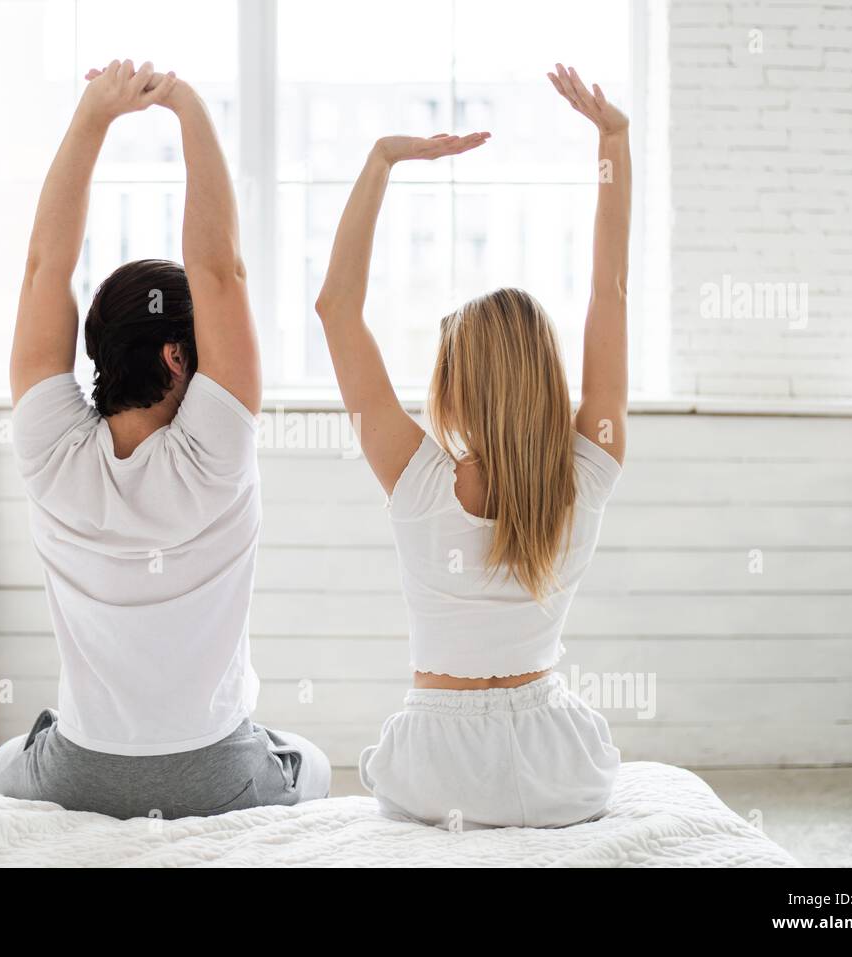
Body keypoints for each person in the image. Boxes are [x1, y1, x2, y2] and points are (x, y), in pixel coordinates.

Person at [0, 60, 329, 818]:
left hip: (81, 771)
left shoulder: (49, 453)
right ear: (180, 356)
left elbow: (47, 266)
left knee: (2, 765)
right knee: (318, 764)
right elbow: (221, 268)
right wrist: (187, 104)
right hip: (217, 772)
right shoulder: (216, 454)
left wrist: (92, 118)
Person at [313, 64, 630, 829]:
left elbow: (334, 307)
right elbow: (609, 293)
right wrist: (614, 140)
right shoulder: (591, 465)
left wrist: (382, 161)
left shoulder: (418, 480)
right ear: (546, 378)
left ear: (455, 387)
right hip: (558, 765)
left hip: (435, 765)